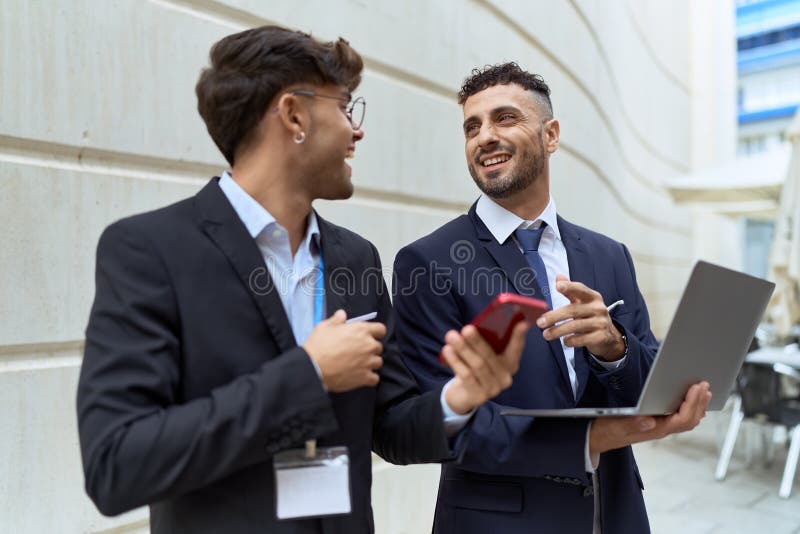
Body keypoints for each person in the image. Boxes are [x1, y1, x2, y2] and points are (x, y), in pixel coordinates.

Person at [76, 28, 529, 534]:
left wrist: (459, 398)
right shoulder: (151, 251)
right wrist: (308, 374)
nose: (356, 132)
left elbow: (391, 424)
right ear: (293, 115)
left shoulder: (356, 259)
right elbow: (117, 465)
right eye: (344, 108)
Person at [392, 63, 712, 534]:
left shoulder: (610, 255)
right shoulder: (427, 263)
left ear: (551, 135)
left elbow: (651, 385)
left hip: (614, 513)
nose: (484, 137)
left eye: (504, 118)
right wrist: (590, 438)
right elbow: (437, 423)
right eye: (471, 127)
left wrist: (614, 348)